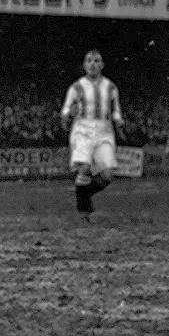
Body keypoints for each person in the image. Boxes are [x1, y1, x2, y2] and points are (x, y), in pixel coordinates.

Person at [62, 50, 124, 218]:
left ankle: (84, 195)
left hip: (104, 129)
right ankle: (83, 210)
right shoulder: (76, 87)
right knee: (84, 167)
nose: (93, 64)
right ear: (84, 65)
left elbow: (116, 110)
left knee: (108, 175)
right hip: (83, 128)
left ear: (102, 65)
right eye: (89, 61)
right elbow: (66, 109)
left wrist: (119, 122)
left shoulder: (111, 87)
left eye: (97, 61)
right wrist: (69, 114)